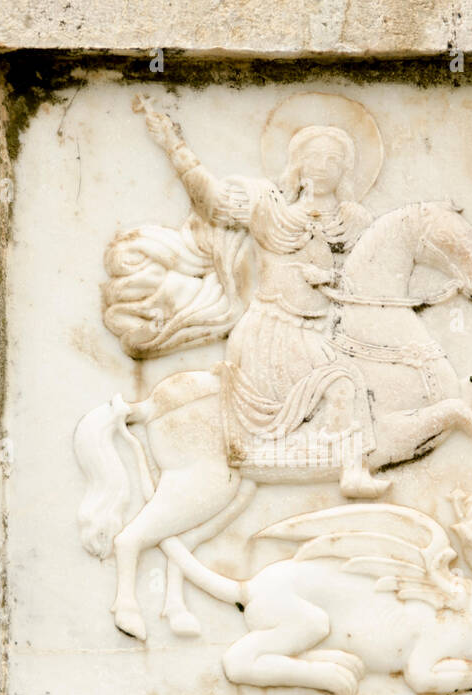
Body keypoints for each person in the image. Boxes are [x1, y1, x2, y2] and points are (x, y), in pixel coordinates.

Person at [136, 97, 388, 498]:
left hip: (322, 331)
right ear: (298, 164)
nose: (323, 168)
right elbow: (214, 203)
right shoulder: (266, 207)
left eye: (333, 161)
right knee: (344, 381)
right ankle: (351, 470)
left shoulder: (355, 221)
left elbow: (367, 282)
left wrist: (332, 278)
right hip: (268, 332)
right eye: (314, 158)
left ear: (345, 171)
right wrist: (175, 148)